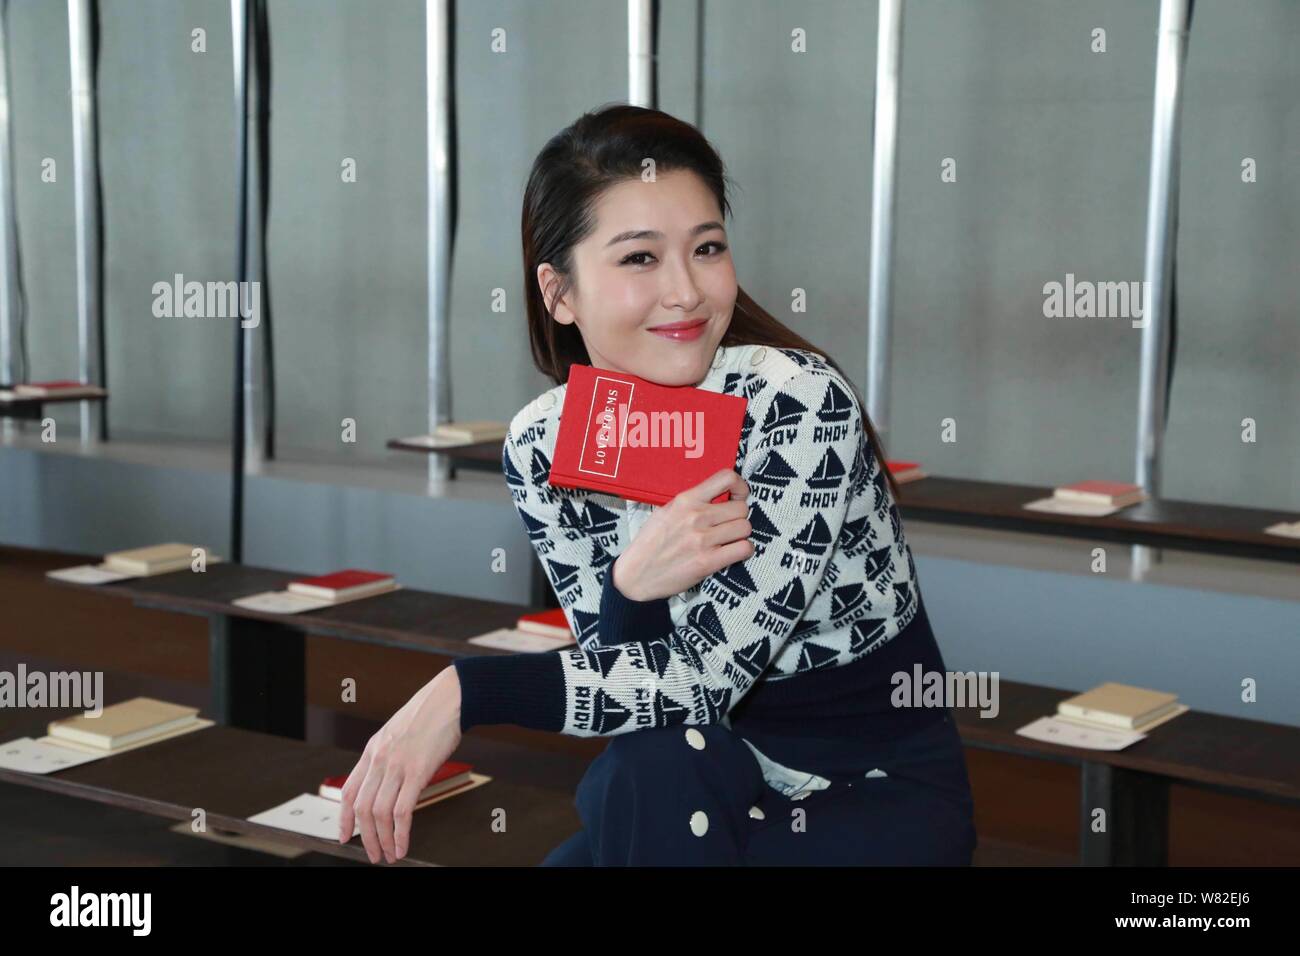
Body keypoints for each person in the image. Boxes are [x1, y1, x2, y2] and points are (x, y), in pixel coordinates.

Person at [338, 103, 977, 866]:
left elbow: (704, 676)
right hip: (697, 775)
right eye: (639, 258)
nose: (686, 292)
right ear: (559, 292)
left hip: (868, 787)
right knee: (645, 768)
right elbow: (633, 694)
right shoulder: (542, 443)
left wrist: (467, 693)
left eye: (706, 248)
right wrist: (631, 590)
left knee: (643, 788)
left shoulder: (794, 401)